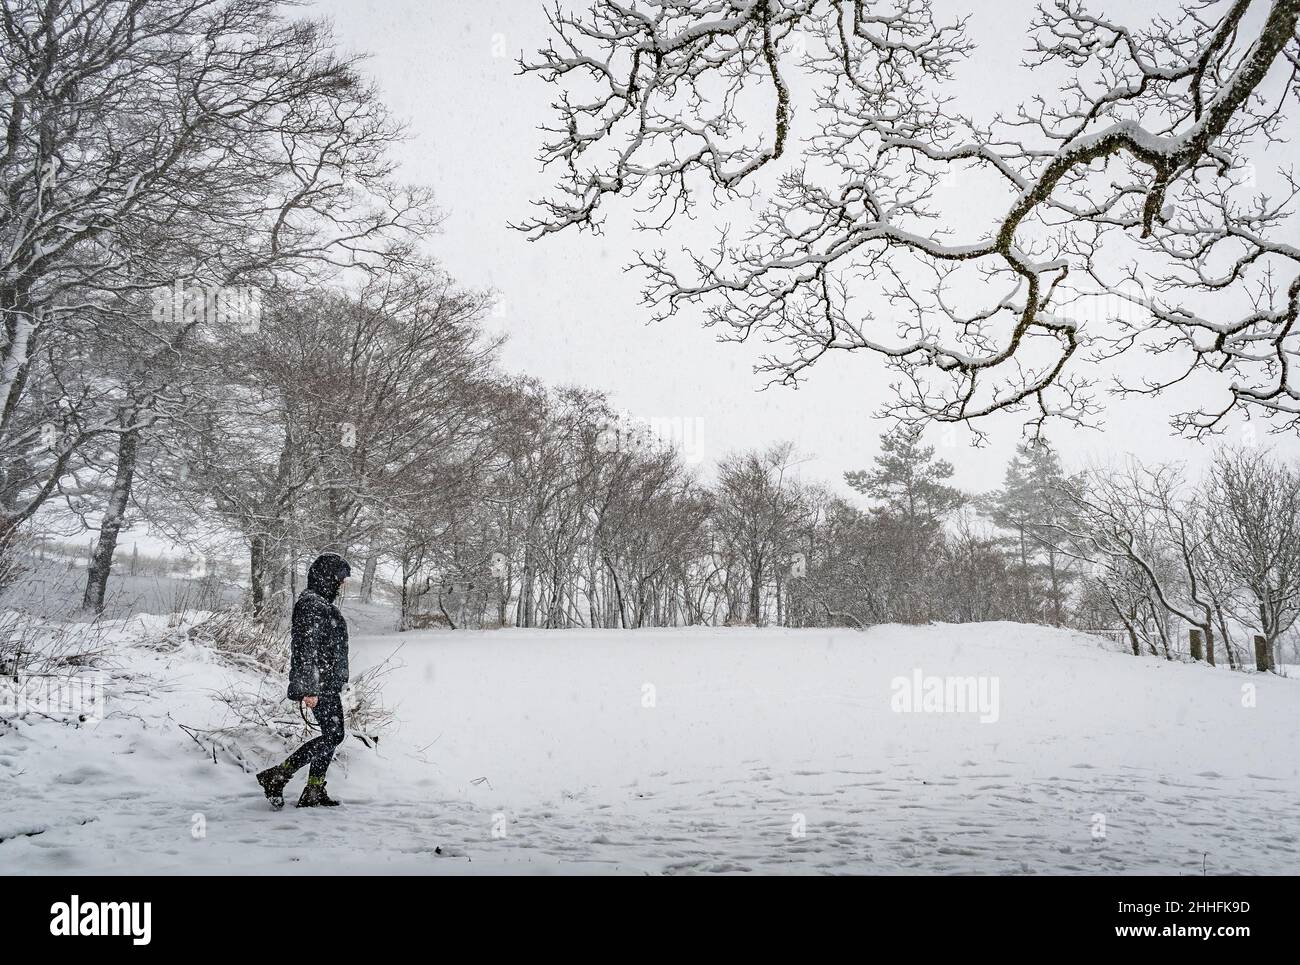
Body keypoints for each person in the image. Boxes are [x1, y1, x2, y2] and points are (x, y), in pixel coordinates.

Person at [256, 552, 352, 809]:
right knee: (333, 735)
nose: (342, 584)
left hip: (328, 683)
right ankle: (277, 776)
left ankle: (313, 790)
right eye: (340, 578)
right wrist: (308, 688)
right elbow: (305, 649)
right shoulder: (311, 605)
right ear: (326, 577)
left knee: (333, 734)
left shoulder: (321, 604)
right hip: (318, 684)